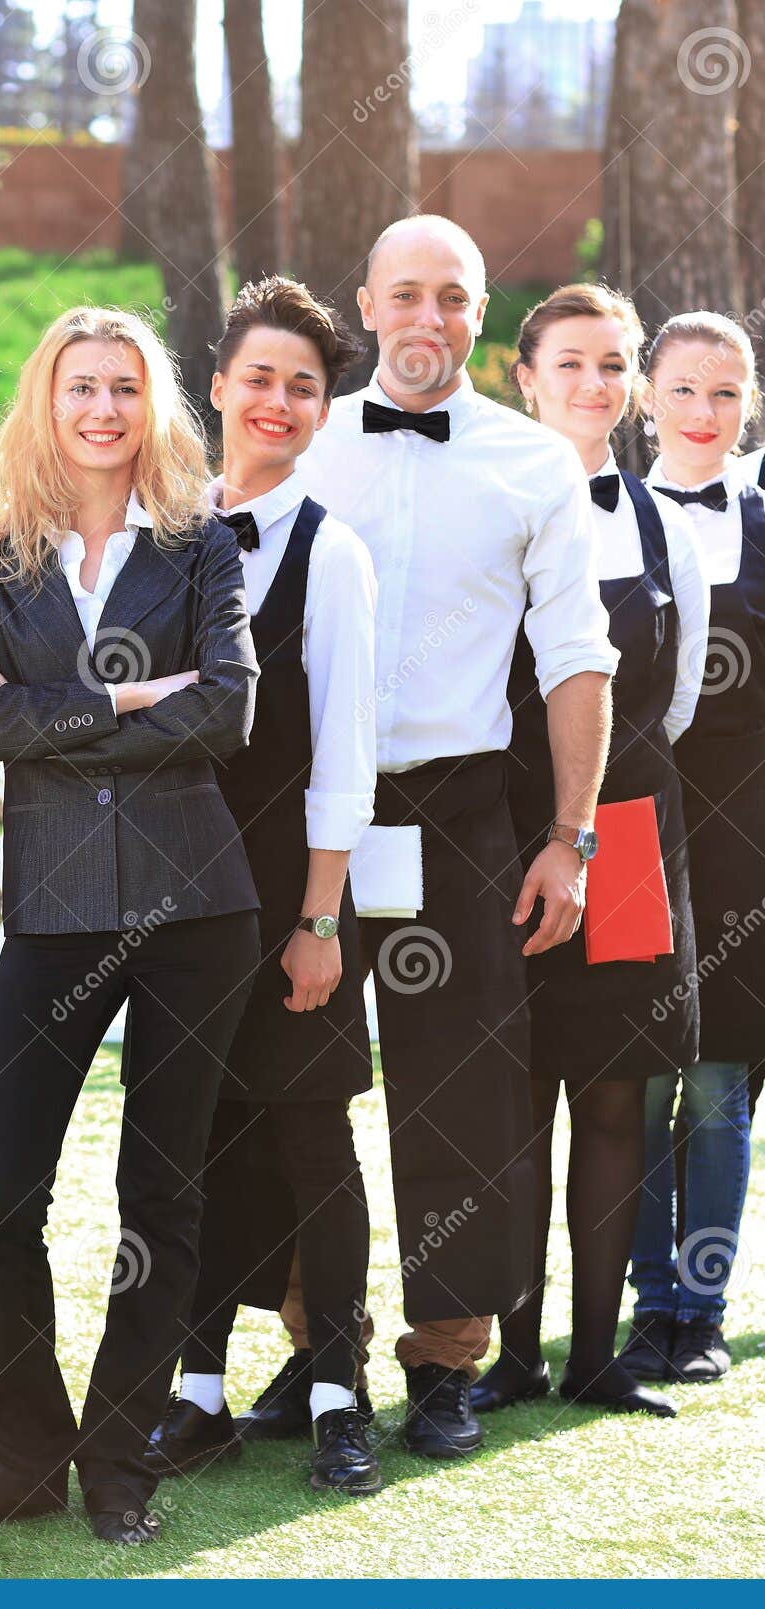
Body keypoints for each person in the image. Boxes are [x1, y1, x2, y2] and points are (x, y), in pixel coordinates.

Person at [267, 217, 618, 1459]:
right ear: (365, 303)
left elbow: (578, 658)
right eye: (404, 294)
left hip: (460, 811)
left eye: (452, 298)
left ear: (479, 314)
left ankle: (443, 1364)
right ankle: (318, 1353)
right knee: (296, 1082)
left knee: (460, 1090)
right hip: (311, 814)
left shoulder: (534, 464)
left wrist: (569, 837)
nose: (426, 319)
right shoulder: (300, 445)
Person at [0, 306, 261, 1545]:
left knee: (157, 1198)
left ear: (152, 405)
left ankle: (120, 1457)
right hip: (54, 913)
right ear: (44, 402)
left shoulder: (203, 546)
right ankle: (24, 1453)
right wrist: (121, 694)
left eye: (124, 386)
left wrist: (48, 715)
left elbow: (225, 710)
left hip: (195, 906)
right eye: (80, 387)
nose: (103, 408)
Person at [142, 277, 380, 1495]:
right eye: (259, 377)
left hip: (289, 895)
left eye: (303, 384)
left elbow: (345, 753)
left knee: (308, 1139)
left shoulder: (333, 556)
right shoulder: (157, 531)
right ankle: (194, 1394)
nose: (278, 400)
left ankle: (340, 1394)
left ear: (320, 408)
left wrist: (317, 921)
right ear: (217, 387)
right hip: (174, 896)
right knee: (189, 1140)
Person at [476, 284, 706, 1419]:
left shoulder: (659, 516)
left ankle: (593, 1357)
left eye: (613, 364)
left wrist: (606, 816)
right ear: (523, 376)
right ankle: (508, 1357)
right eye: (570, 363)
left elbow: (676, 701)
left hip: (627, 830)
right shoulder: (491, 500)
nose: (594, 384)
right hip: (505, 832)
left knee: (618, 1099)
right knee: (513, 1098)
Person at [619, 312, 764, 1387]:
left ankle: (700, 1311)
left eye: (725, 393)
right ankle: (644, 1307)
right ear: (644, 395)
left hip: (747, 843)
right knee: (636, 1078)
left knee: (718, 1083)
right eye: (682, 390)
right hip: (628, 827)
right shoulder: (602, 518)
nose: (704, 414)